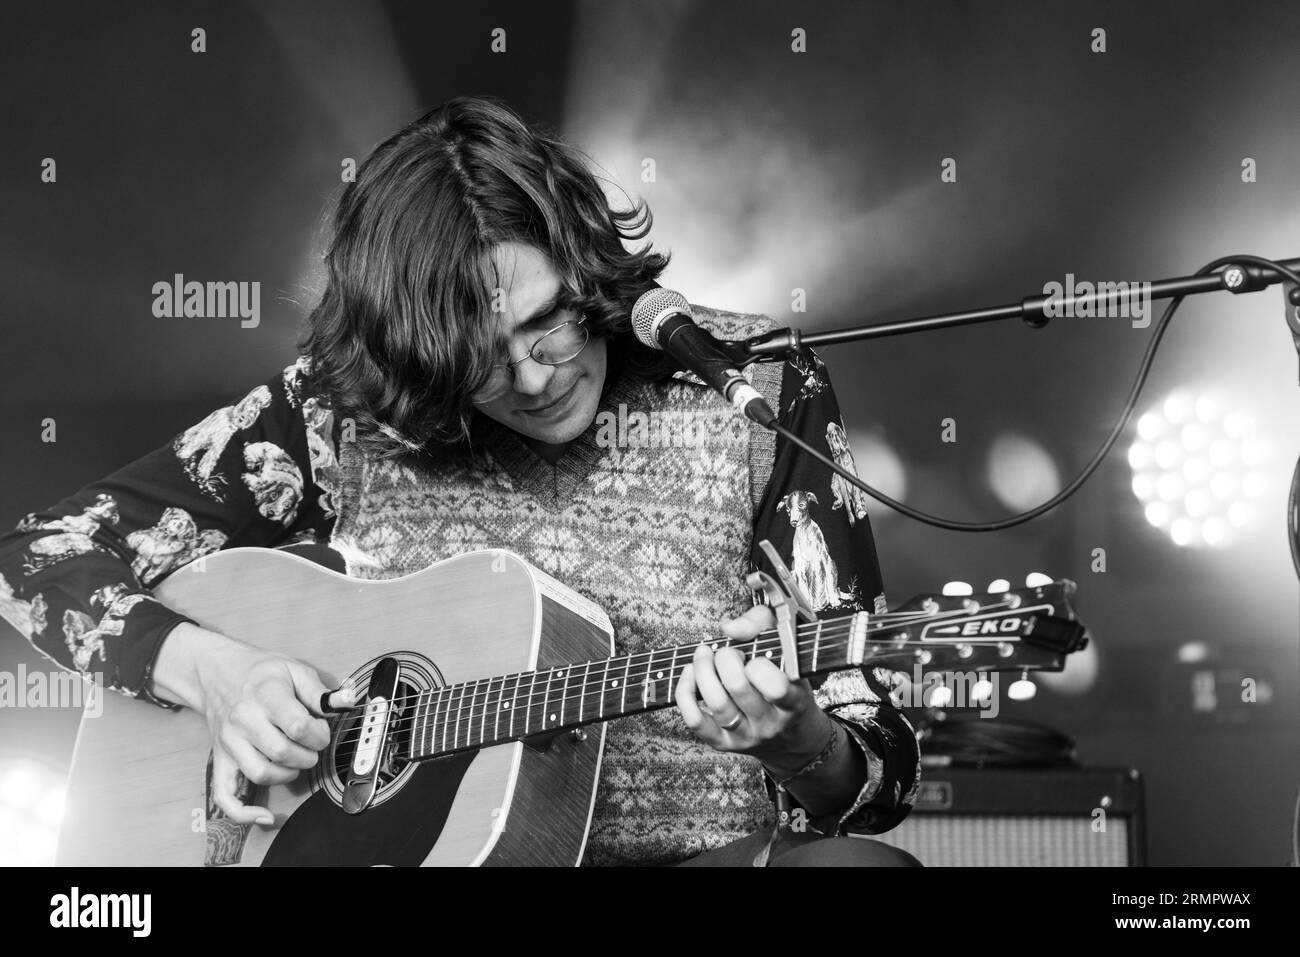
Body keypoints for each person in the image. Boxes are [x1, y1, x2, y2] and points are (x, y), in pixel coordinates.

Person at [0, 96, 920, 866]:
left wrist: (800, 742)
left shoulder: (750, 385)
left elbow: (875, 777)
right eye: (477, 362)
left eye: (547, 322)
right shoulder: (341, 414)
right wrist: (216, 673)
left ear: (582, 260)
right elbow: (34, 554)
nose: (532, 376)